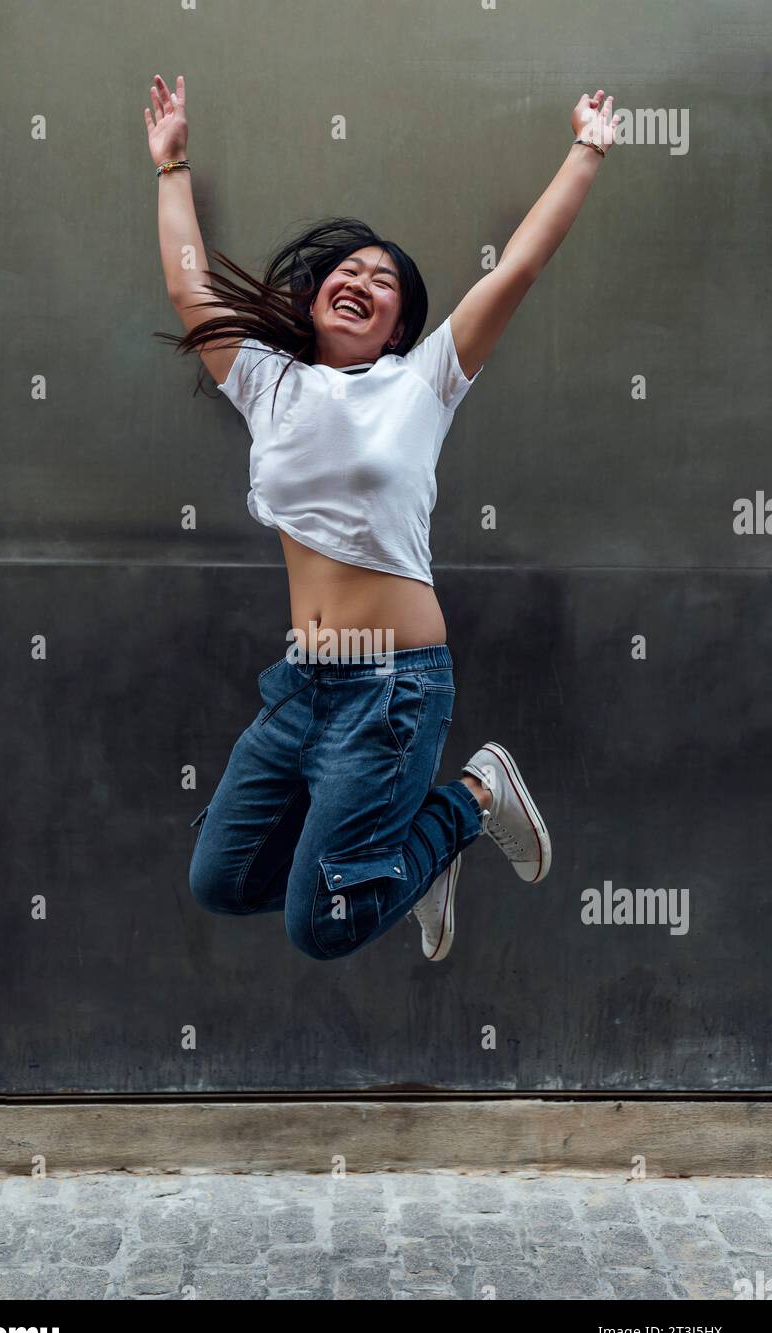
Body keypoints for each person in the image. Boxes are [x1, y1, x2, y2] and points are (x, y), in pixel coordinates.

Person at [145, 74, 620, 962]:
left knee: (322, 925)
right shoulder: (267, 381)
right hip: (304, 688)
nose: (363, 279)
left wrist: (587, 147)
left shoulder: (423, 382)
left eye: (386, 280)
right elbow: (188, 289)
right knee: (222, 878)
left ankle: (474, 798)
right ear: (318, 295)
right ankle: (412, 861)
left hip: (393, 690)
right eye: (349, 270)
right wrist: (172, 162)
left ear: (402, 323)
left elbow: (517, 265)